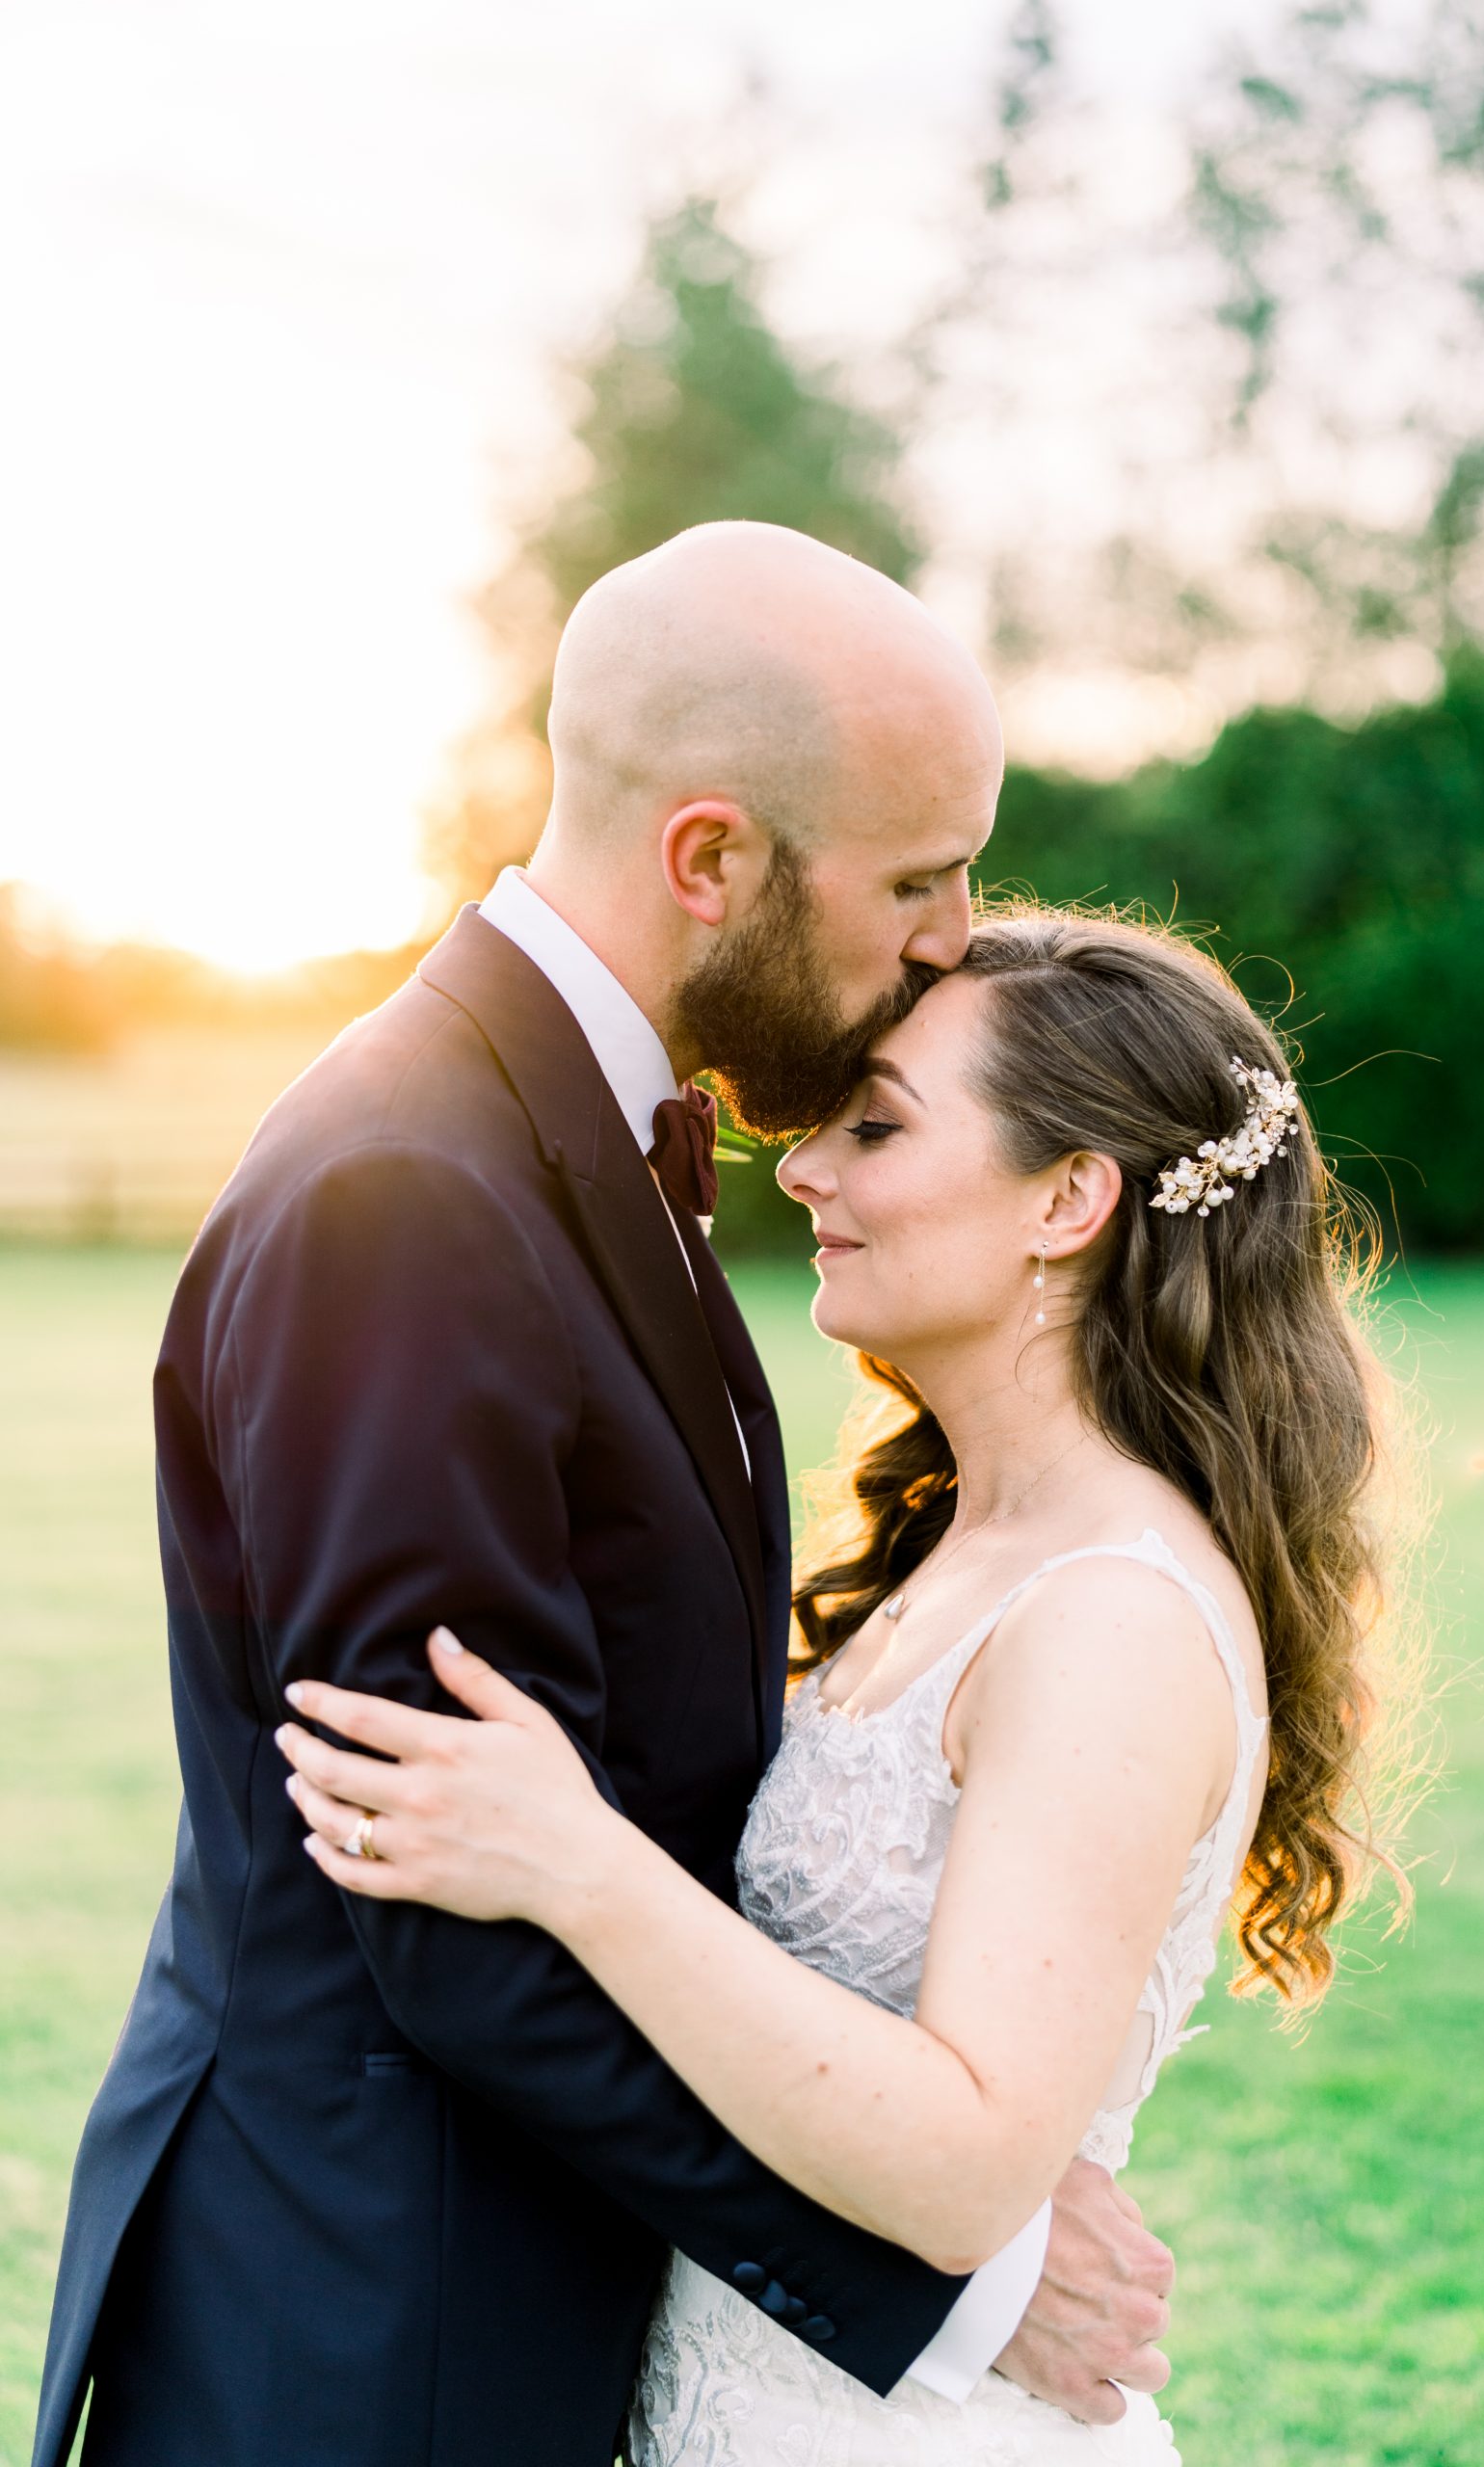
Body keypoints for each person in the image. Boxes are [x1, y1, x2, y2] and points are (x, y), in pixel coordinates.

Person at [33, 526, 1173, 2467]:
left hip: (534, 2292)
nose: (948, 936)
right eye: (914, 877)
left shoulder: (584, 1138)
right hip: (373, 2331)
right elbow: (442, 1905)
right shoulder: (409, 1188)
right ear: (710, 859)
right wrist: (940, 2264)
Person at [278, 905, 1413, 2463]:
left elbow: (965, 2168)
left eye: (875, 1127)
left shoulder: (1112, 1619)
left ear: (1069, 1198)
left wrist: (575, 1861)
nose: (802, 1168)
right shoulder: (962, 1547)